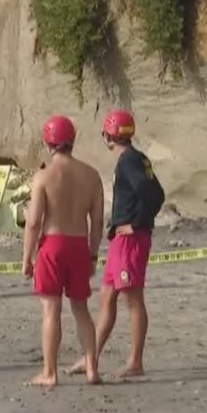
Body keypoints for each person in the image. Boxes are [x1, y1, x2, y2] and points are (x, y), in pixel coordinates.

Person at [68, 110, 165, 379]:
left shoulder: (129, 161)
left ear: (109, 135)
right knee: (107, 297)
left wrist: (137, 223)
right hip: (120, 241)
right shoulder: (135, 158)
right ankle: (90, 357)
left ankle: (136, 361)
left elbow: (152, 195)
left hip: (130, 240)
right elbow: (156, 192)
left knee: (133, 300)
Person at [22, 116, 104, 387]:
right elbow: (98, 221)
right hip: (79, 244)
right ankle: (92, 367)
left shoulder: (43, 176)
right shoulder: (91, 175)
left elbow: (33, 222)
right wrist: (92, 254)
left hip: (53, 245)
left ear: (49, 143)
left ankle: (50, 372)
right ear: (73, 140)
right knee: (81, 309)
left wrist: (27, 258)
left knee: (51, 310)